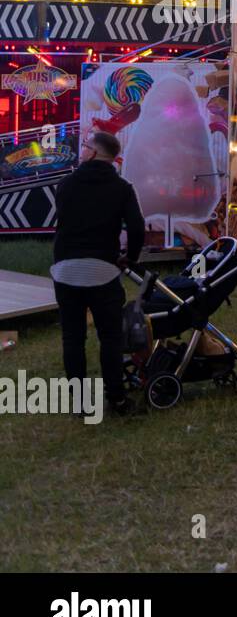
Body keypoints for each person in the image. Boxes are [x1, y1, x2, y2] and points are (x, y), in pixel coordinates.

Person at [51, 131, 145, 417]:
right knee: (110, 337)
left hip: (66, 270)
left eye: (85, 146)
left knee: (73, 338)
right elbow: (137, 228)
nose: (81, 151)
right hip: (103, 270)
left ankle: (80, 404)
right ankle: (116, 399)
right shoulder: (122, 188)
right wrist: (130, 258)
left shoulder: (66, 185)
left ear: (93, 152)